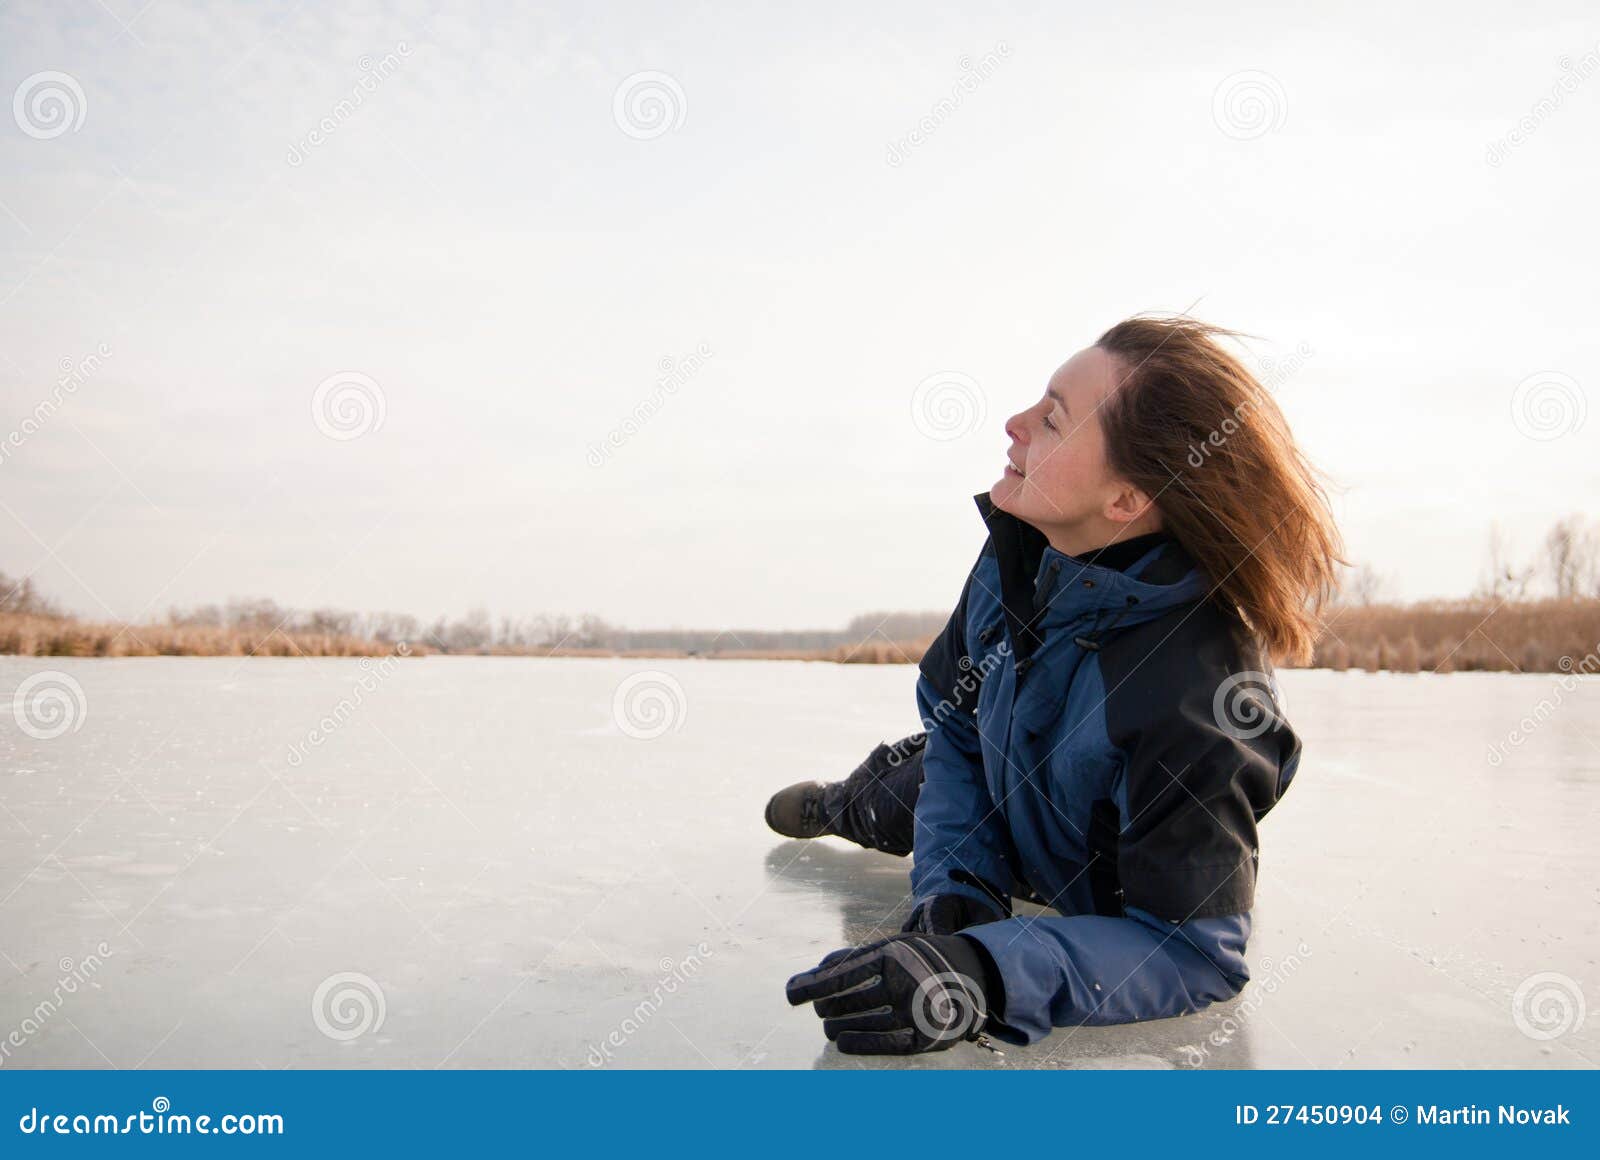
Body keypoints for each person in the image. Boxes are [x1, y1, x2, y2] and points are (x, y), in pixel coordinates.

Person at [779, 315, 1343, 1055]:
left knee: (941, 799)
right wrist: (956, 890)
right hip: (993, 786)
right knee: (902, 789)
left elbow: (1194, 954)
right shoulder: (1016, 551)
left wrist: (986, 971)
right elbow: (954, 726)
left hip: (1088, 878)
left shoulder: (1200, 700)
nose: (1013, 425)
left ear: (1126, 500)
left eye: (1052, 420)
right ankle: (844, 803)